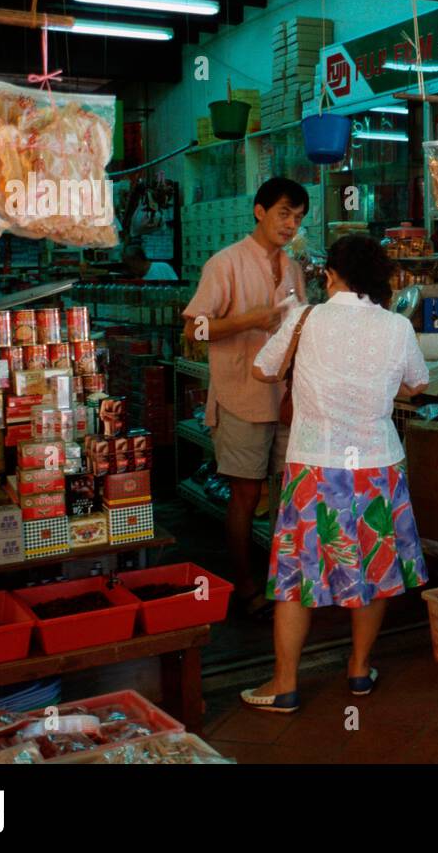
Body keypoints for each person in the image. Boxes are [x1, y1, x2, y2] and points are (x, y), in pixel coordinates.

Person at [241, 234, 430, 712]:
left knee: (294, 579)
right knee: (373, 568)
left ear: (329, 276)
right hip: (375, 467)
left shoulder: (305, 318)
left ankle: (284, 684)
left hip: (314, 466)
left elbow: (263, 370)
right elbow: (417, 383)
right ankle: (360, 669)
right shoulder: (396, 326)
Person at [182, 177, 308, 617]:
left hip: (285, 399)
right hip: (241, 395)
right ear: (259, 211)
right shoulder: (226, 263)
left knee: (288, 494)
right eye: (283, 214)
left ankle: (284, 580)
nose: (290, 224)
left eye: (297, 217)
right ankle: (244, 583)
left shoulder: (293, 269)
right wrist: (248, 320)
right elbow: (193, 329)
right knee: (246, 495)